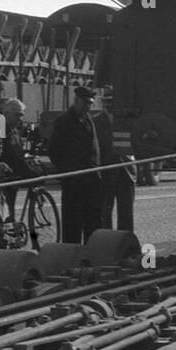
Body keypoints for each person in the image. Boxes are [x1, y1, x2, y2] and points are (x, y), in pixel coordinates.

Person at [48, 86, 104, 243]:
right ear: (76, 100)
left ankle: (90, 253)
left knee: (93, 220)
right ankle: (71, 256)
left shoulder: (87, 119)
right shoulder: (65, 121)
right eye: (85, 102)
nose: (88, 106)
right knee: (72, 221)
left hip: (91, 178)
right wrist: (67, 171)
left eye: (90, 103)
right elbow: (54, 150)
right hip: (74, 179)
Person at [91, 94, 135, 232]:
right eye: (106, 102)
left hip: (126, 171)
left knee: (126, 212)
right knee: (104, 211)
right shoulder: (95, 121)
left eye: (112, 101)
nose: (109, 105)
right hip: (106, 171)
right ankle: (107, 241)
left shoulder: (128, 120)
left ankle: (126, 241)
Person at [0, 97, 40, 217]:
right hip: (3, 173)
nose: (20, 119)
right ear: (7, 114)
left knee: (11, 202)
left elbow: (18, 150)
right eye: (17, 115)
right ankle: (4, 226)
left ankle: (11, 221)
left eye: (21, 115)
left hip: (13, 170)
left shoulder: (14, 129)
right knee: (2, 207)